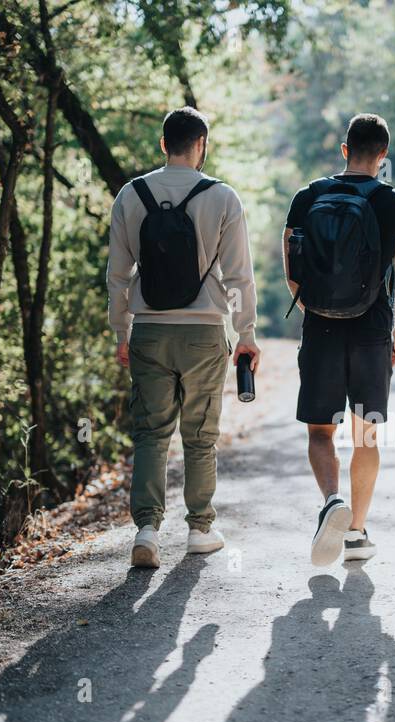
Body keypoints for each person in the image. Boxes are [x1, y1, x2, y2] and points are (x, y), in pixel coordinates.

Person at [106, 106, 261, 569]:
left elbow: (117, 275)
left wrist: (122, 331)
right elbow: (240, 277)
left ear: (162, 145)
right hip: (204, 332)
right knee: (200, 434)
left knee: (151, 433)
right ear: (201, 145)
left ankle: (148, 531)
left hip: (149, 332)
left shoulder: (130, 196)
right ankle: (199, 529)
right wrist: (247, 332)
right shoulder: (223, 198)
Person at [283, 113, 395, 566]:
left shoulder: (308, 196)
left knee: (321, 432)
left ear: (345, 150)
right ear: (382, 157)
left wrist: (313, 310)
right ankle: (357, 533)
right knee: (366, 435)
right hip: (372, 328)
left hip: (321, 324)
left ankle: (331, 502)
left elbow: (292, 267)